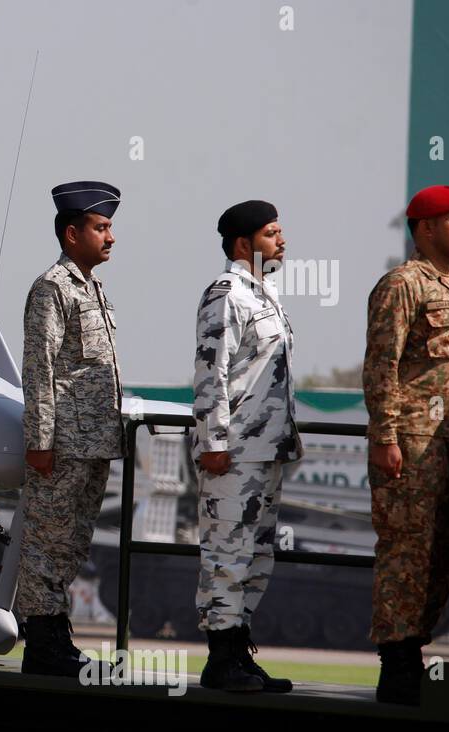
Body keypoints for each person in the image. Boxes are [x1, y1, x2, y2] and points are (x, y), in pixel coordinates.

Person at [363, 170, 449, 706]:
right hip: (409, 445)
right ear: (426, 228)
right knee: (406, 553)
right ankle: (398, 661)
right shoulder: (403, 284)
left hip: (448, 447)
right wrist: (384, 436)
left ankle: (417, 648)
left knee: (441, 554)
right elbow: (381, 365)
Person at [192, 201, 302, 693]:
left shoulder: (268, 295)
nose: (282, 241)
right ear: (243, 245)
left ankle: (239, 649)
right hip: (233, 452)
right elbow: (210, 372)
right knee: (227, 554)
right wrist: (213, 441)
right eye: (272, 233)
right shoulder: (226, 294)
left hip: (267, 449)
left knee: (257, 556)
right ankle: (221, 659)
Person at [17, 180, 124, 676]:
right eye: (101, 227)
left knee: (73, 542)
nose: (111, 237)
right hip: (61, 445)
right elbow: (39, 368)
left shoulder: (93, 288)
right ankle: (42, 645)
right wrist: (39, 442)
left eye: (109, 227)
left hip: (93, 443)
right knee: (46, 543)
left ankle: (55, 636)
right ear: (71, 233)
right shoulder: (52, 288)